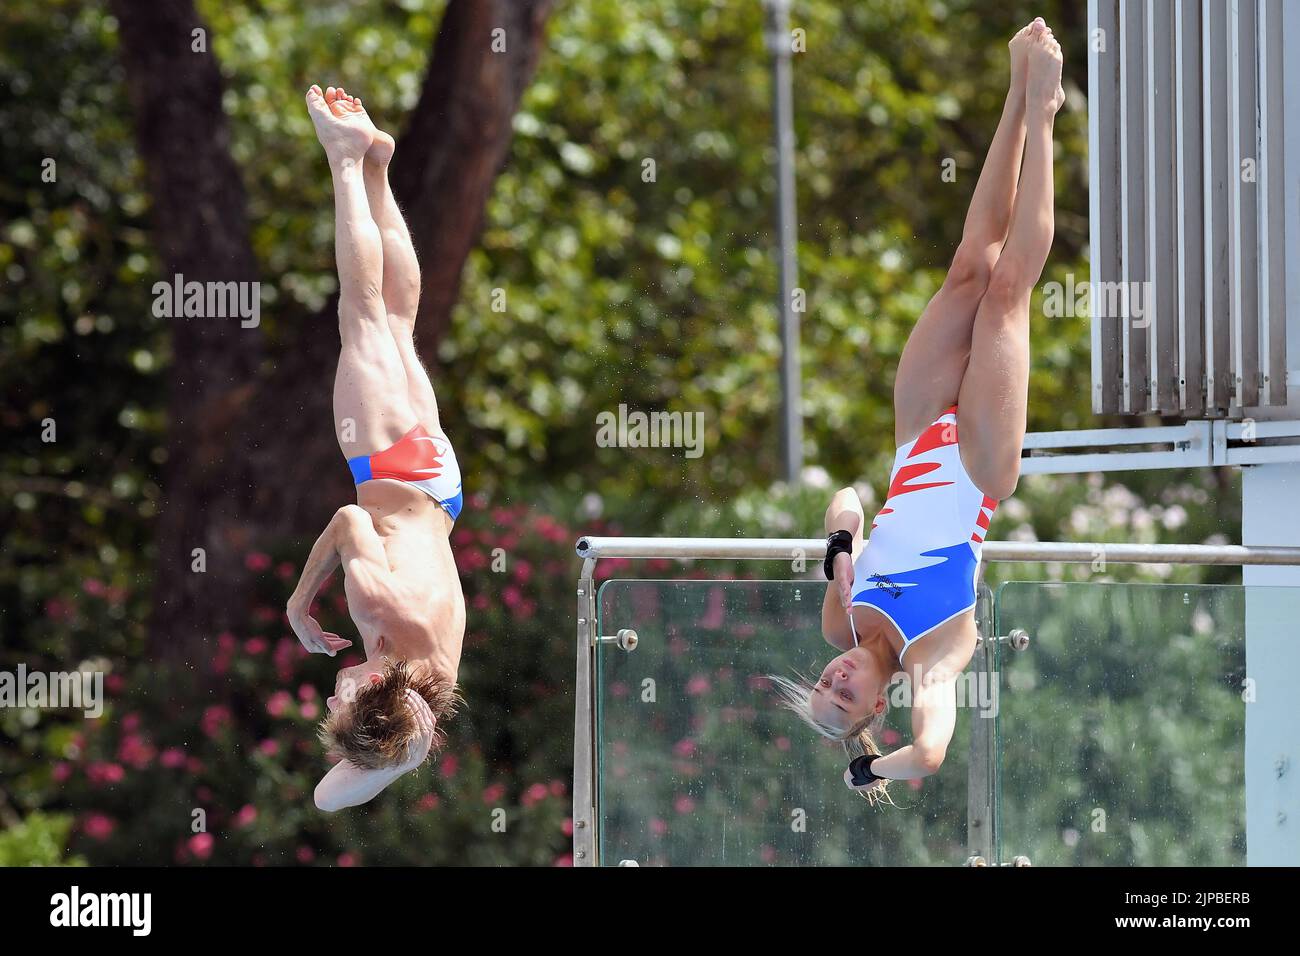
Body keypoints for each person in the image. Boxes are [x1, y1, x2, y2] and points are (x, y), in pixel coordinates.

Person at [772, 20, 1064, 803]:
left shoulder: (840, 621)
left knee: (969, 268)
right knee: (1005, 298)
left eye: (824, 686)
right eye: (844, 698)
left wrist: (839, 550)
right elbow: (931, 753)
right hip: (975, 467)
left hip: (915, 441)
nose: (834, 678)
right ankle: (1042, 112)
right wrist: (871, 769)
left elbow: (848, 498)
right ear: (875, 707)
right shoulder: (936, 658)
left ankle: (1014, 92)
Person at [285, 85, 465, 811]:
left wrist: (378, 748)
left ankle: (380, 166)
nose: (328, 698)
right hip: (391, 468)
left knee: (397, 322)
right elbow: (348, 524)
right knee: (361, 317)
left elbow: (336, 795)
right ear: (366, 694)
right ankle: (346, 159)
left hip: (440, 489)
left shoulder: (435, 685)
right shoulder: (379, 615)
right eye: (336, 708)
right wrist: (302, 603)